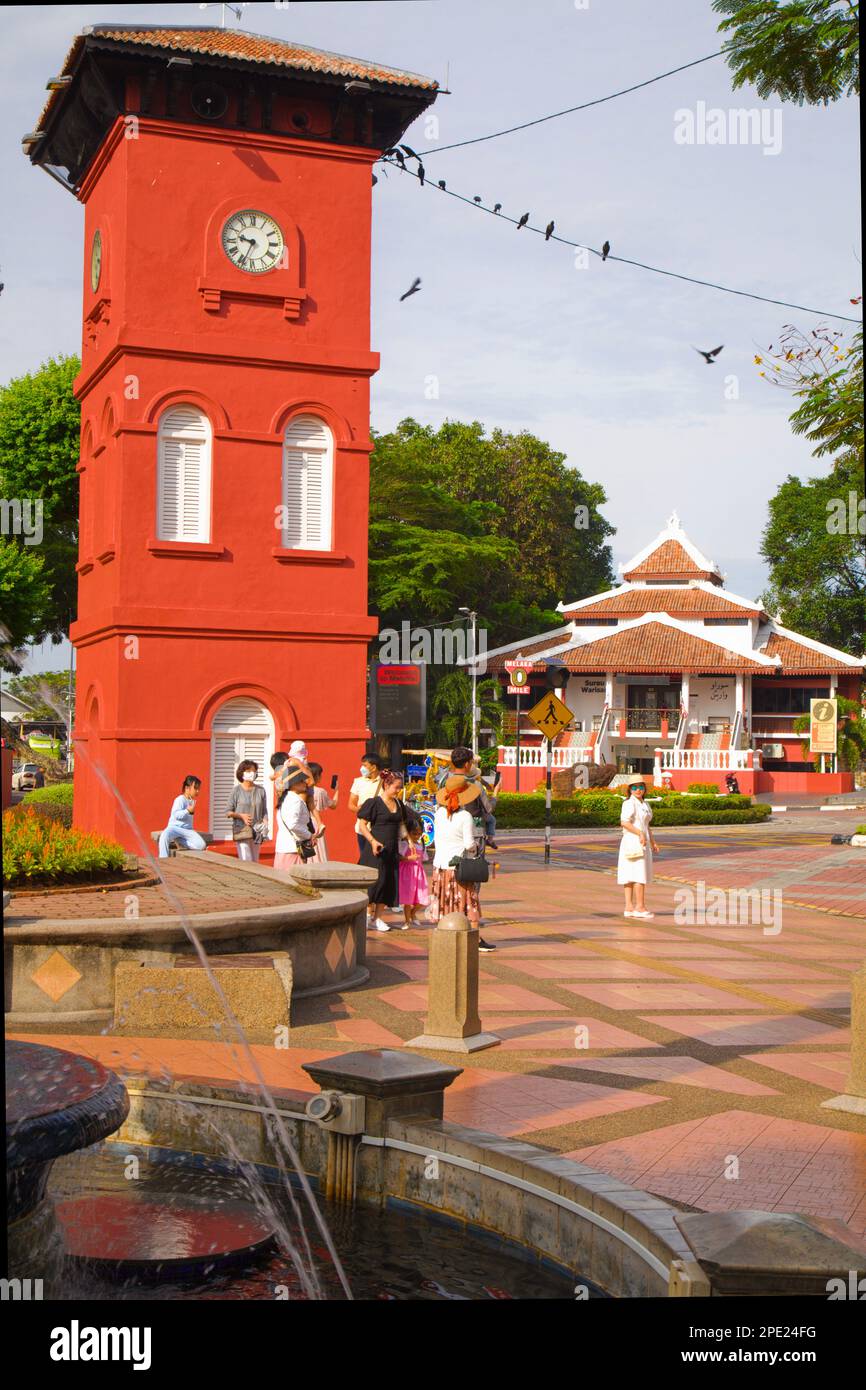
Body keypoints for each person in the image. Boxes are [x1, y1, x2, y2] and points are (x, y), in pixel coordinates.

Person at [427, 775, 495, 951]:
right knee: (469, 904)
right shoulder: (465, 816)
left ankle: (446, 939)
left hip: (440, 867)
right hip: (459, 868)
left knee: (445, 905)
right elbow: (469, 845)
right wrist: (474, 850)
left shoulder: (439, 813)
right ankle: (475, 940)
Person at [357, 769, 406, 932]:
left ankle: (377, 918)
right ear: (386, 784)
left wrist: (410, 842)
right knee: (373, 883)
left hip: (392, 849)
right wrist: (372, 841)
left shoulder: (399, 804)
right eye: (396, 787)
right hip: (376, 848)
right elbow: (362, 825)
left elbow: (402, 824)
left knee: (388, 882)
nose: (398, 791)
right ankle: (364, 915)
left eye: (400, 788)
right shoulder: (374, 803)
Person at [434, 746, 499, 848]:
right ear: (467, 764)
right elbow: (489, 808)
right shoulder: (475, 785)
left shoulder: (445, 782)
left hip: (448, 830)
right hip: (472, 832)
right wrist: (495, 795)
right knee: (473, 862)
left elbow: (439, 804)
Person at [617, 776, 659, 919]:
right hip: (632, 841)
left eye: (640, 787)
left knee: (635, 873)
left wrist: (653, 841)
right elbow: (624, 822)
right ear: (629, 789)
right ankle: (638, 907)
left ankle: (630, 908)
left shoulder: (645, 804)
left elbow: (647, 825)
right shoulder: (629, 803)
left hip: (643, 841)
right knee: (636, 875)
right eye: (634, 787)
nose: (638, 790)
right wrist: (639, 833)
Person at [274, 768, 317, 870]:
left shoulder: (286, 799)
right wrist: (309, 835)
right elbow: (293, 824)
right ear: (293, 784)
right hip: (293, 849)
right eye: (301, 781)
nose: (305, 783)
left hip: (285, 848)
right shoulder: (295, 800)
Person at [227, 760, 268, 862]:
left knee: (255, 861)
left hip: (257, 832)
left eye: (254, 771)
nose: (252, 773)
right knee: (246, 859)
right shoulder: (236, 790)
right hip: (242, 830)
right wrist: (241, 816)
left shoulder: (261, 790)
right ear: (242, 773)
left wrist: (266, 822)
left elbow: (264, 810)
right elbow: (228, 812)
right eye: (249, 771)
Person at [158, 775, 206, 857]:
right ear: (187, 788)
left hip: (187, 830)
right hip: (174, 828)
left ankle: (180, 841)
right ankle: (163, 859)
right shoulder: (180, 799)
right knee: (164, 836)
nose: (197, 791)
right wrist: (187, 810)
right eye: (196, 788)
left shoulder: (192, 801)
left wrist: (189, 811)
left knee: (201, 845)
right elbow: (176, 815)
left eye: (198, 789)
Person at [349, 752, 384, 859]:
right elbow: (351, 805)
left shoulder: (385, 782)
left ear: (373, 767)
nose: (362, 768)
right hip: (362, 829)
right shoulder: (358, 782)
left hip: (379, 828)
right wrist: (360, 810)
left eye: (365, 766)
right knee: (364, 858)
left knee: (379, 858)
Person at [398, 811, 430, 927]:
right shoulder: (404, 844)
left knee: (423, 899)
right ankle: (407, 920)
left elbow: (424, 858)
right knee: (408, 899)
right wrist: (409, 858)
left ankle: (413, 913)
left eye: (419, 834)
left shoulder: (421, 844)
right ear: (408, 833)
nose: (417, 836)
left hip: (419, 873)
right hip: (407, 873)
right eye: (414, 833)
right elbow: (399, 857)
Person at [307, 761, 338, 863]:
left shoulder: (301, 789)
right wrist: (337, 790)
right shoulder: (320, 791)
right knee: (318, 851)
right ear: (316, 775)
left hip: (304, 823)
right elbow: (333, 805)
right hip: (316, 823)